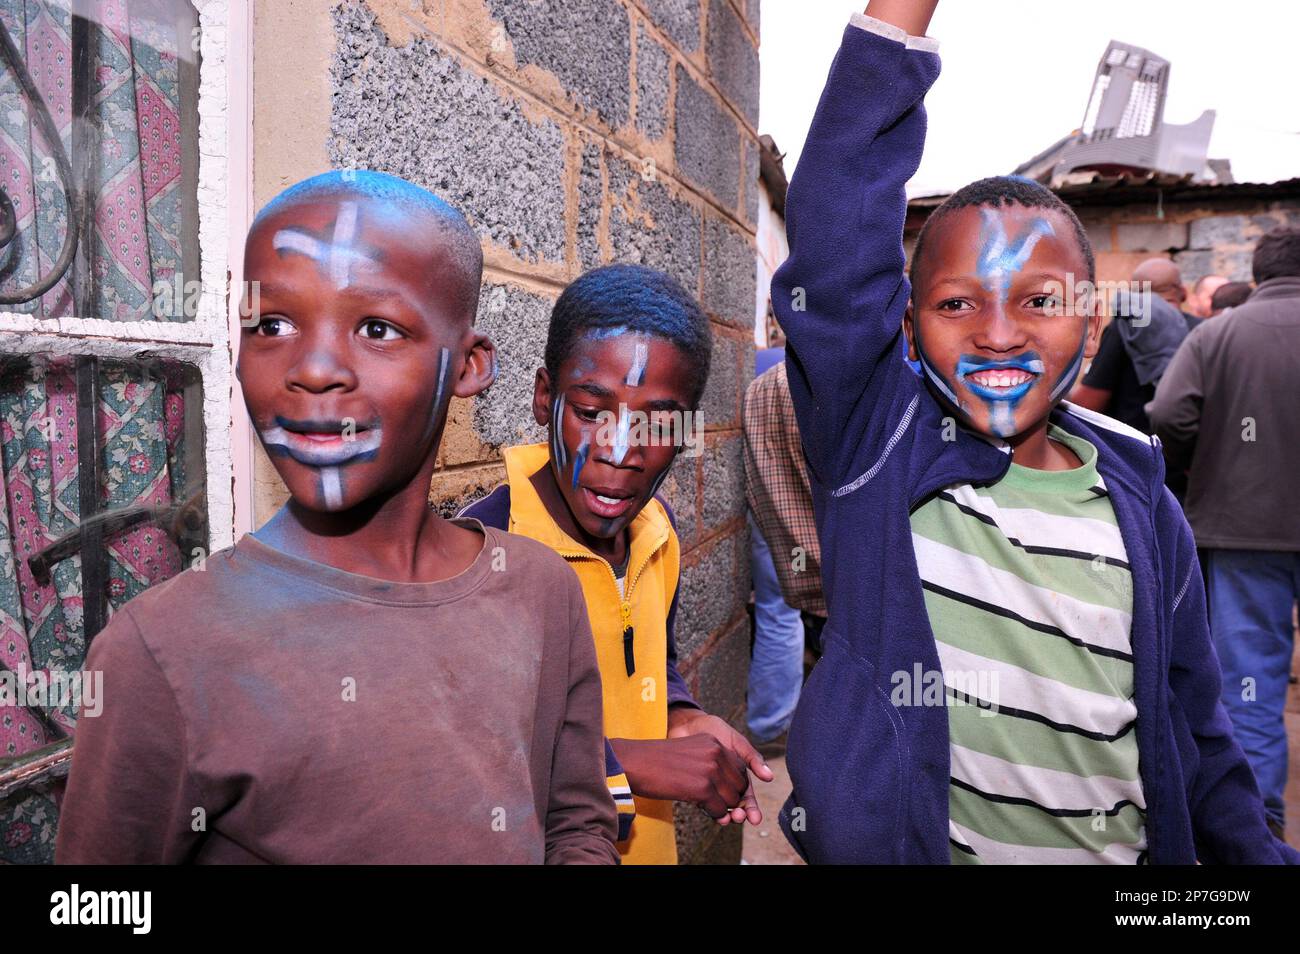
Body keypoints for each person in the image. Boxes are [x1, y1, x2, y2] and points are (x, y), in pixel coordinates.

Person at [772, 0, 1296, 864]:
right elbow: (834, 235)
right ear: (905, 329)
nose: (999, 331)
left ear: (1092, 327)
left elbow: (1197, 736)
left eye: (1039, 301)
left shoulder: (1144, 504)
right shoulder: (877, 452)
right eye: (955, 303)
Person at [55, 171, 619, 864]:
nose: (315, 369)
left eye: (377, 329)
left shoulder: (540, 589)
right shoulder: (162, 652)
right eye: (273, 325)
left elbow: (577, 824)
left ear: (470, 365)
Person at [462, 263, 773, 864]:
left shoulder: (659, 533)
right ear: (543, 397)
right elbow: (460, 759)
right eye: (590, 412)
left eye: (656, 424)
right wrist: (631, 761)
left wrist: (680, 717)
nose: (622, 450)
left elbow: (654, 659)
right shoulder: (483, 551)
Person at [1147, 226, 1300, 840]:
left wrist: (1198, 464)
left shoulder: (1216, 333)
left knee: (1250, 679)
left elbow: (1166, 413)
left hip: (1244, 530)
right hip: (1249, 526)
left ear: (1258, 273)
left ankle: (1259, 823)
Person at [743, 348, 825, 754]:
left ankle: (769, 724)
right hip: (824, 521)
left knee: (777, 612)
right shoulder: (841, 376)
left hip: (771, 513)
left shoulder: (760, 376)